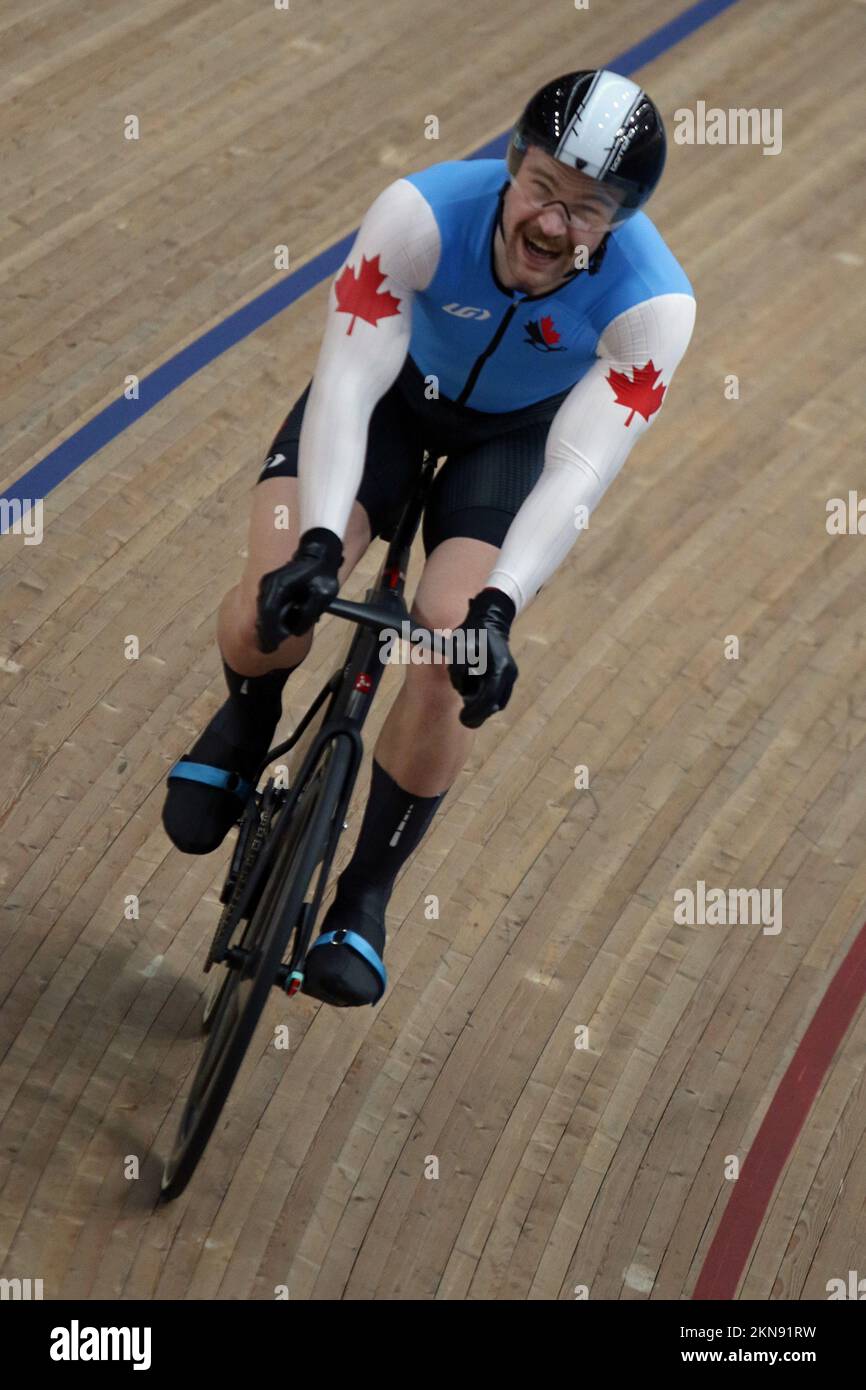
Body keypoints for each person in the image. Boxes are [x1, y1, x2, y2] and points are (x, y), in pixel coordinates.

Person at [162, 68, 697, 1009]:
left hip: (510, 445)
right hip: (390, 405)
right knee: (274, 596)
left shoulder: (653, 306)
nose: (551, 224)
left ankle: (363, 895)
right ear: (511, 164)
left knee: (450, 646)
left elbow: (578, 471)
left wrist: (500, 608)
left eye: (586, 211)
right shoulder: (418, 215)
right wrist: (323, 544)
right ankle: (251, 712)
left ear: (619, 223)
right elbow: (350, 380)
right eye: (541, 189)